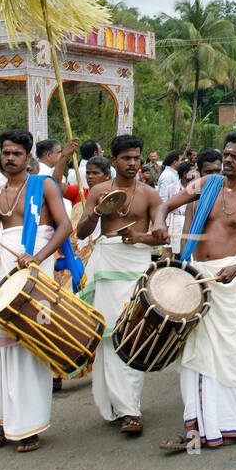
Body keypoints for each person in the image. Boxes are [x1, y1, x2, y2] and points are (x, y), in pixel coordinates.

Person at [153, 131, 236, 451]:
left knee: (228, 354)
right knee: (194, 352)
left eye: (235, 156)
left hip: (229, 281)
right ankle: (195, 424)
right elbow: (166, 204)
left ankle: (226, 424)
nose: (228, 160)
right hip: (196, 277)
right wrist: (160, 220)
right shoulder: (207, 185)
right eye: (226, 154)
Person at [0, 129, 75, 453]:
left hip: (34, 274)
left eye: (16, 153)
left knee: (30, 349)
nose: (10, 158)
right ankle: (3, 421)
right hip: (2, 275)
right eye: (6, 153)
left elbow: (65, 227)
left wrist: (38, 258)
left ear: (29, 156)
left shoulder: (44, 186)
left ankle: (27, 427)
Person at [76, 135, 164, 436]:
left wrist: (144, 237)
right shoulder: (99, 190)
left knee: (134, 333)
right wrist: (98, 211)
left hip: (137, 267)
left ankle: (130, 408)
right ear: (114, 161)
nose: (132, 163)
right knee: (109, 334)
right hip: (108, 265)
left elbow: (160, 233)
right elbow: (82, 230)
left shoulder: (150, 194)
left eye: (136, 158)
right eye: (126, 158)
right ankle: (118, 406)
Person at [155, 150, 184, 257]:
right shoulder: (167, 176)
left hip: (175, 216)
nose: (182, 162)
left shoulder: (174, 174)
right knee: (168, 248)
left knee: (175, 247)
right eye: (181, 160)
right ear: (174, 162)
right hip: (170, 217)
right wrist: (164, 221)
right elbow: (163, 199)